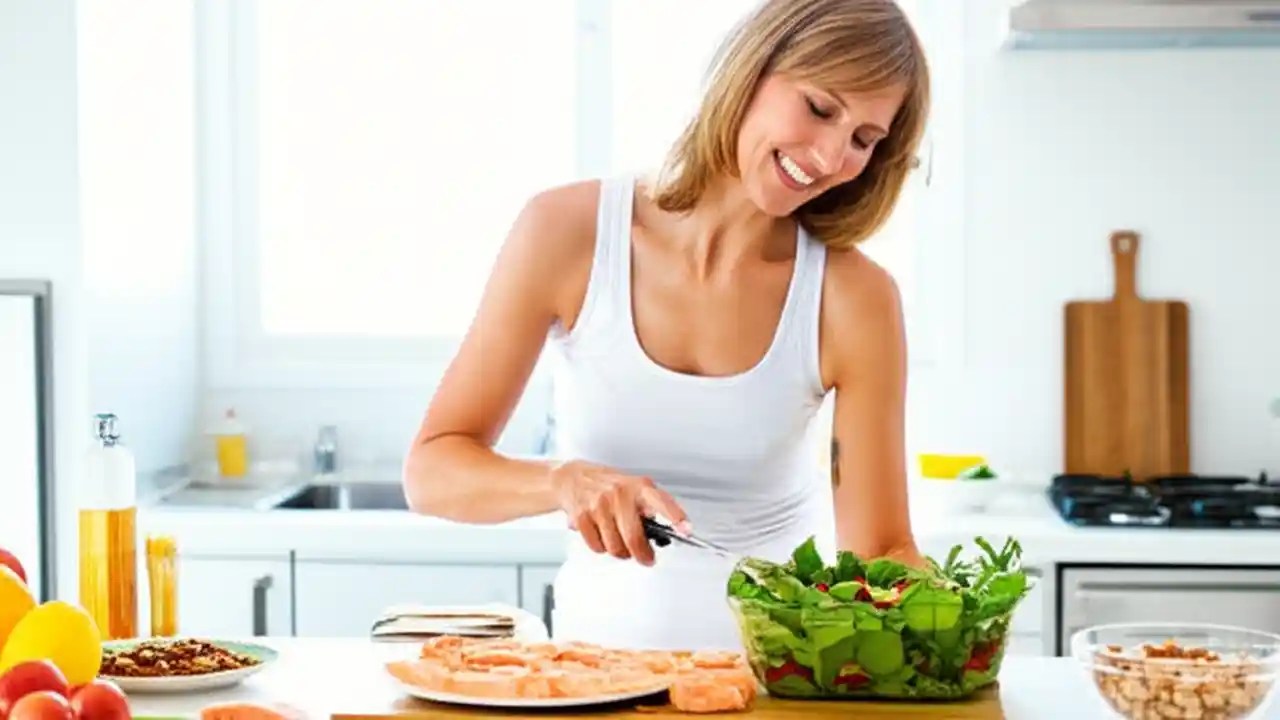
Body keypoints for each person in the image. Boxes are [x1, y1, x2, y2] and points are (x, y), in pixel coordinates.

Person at [403, 0, 931, 652]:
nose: (829, 156)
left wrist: (954, 619)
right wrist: (563, 483)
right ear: (754, 68)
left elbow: (880, 550)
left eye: (863, 140)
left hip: (773, 682)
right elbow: (433, 470)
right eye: (820, 108)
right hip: (587, 677)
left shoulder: (855, 298)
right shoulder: (567, 232)